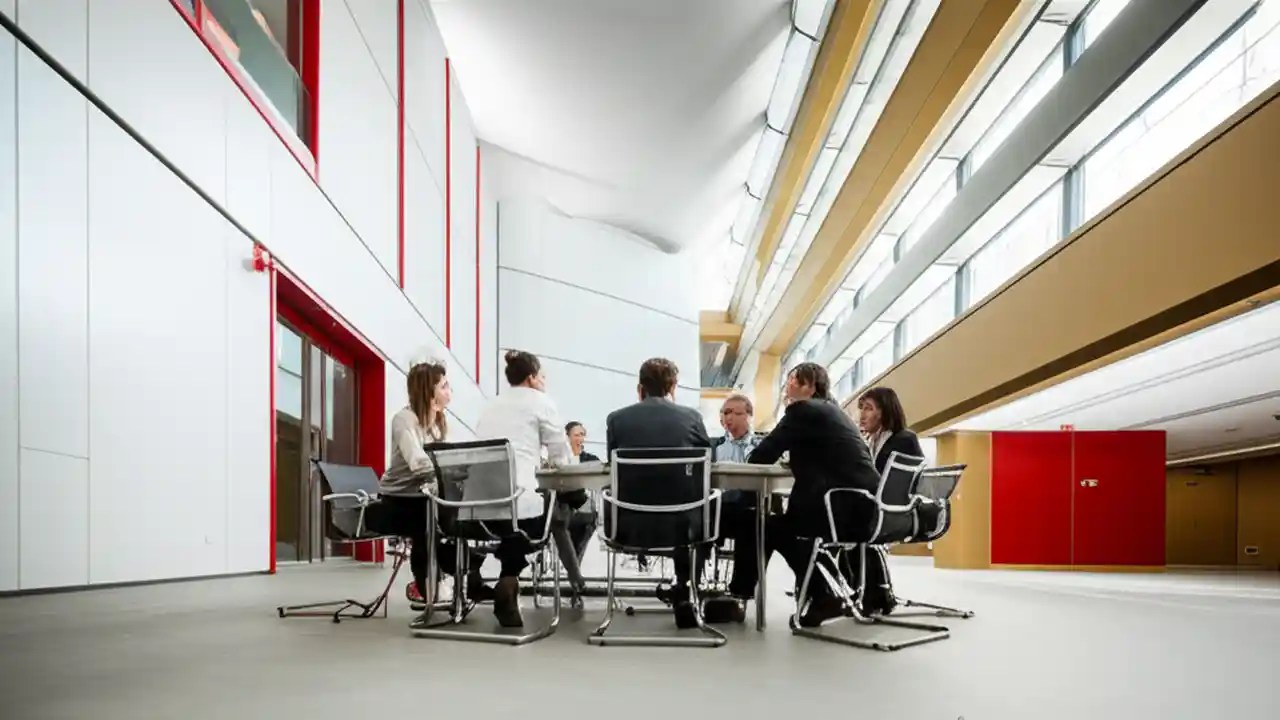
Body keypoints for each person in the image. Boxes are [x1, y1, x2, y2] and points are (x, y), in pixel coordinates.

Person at [729, 362, 885, 627]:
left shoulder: (802, 410)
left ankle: (743, 598)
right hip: (866, 507)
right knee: (781, 526)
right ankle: (823, 592)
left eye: (793, 380)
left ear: (810, 387)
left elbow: (761, 456)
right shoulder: (837, 413)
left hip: (836, 508)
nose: (787, 386)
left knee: (759, 522)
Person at [369, 361, 491, 608]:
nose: (449, 391)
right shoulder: (404, 420)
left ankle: (466, 574)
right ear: (429, 391)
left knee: (455, 514)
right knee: (433, 520)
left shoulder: (437, 422)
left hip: (423, 497)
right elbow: (419, 463)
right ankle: (436, 580)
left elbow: (442, 464)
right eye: (444, 386)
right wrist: (454, 471)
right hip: (398, 500)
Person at [605, 357, 711, 628]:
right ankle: (686, 587)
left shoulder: (617, 419)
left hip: (628, 525)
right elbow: (707, 460)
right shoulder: (691, 417)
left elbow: (612, 467)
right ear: (673, 386)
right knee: (692, 507)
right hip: (684, 524)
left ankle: (681, 589)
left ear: (640, 388)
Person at [469, 350, 572, 627]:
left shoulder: (491, 405)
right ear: (531, 378)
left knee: (511, 521)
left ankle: (500, 575)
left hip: (479, 508)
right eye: (542, 376)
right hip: (520, 504)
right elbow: (561, 456)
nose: (544, 382)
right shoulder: (542, 402)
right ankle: (509, 577)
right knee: (541, 517)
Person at [857, 387, 924, 474]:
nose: (862, 414)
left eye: (869, 408)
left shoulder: (905, 439)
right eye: (862, 408)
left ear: (884, 412)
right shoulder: (869, 443)